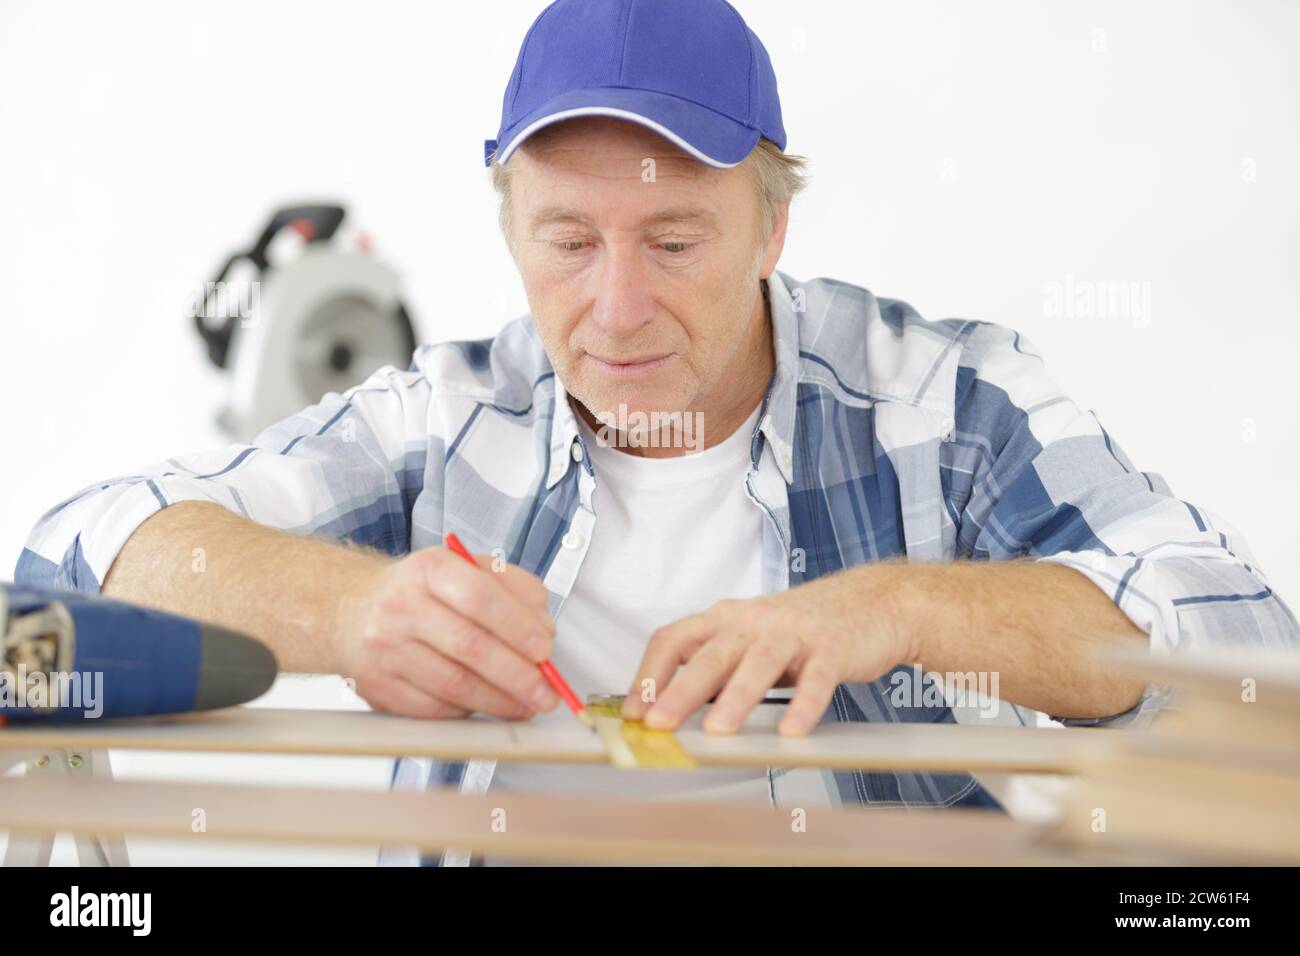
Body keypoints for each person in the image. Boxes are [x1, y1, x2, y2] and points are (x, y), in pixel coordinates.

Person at [16, 0, 1299, 866]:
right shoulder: (447, 416)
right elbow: (77, 551)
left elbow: (1245, 638)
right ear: (509, 228)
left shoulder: (944, 404)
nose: (616, 310)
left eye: (675, 241)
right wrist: (352, 612)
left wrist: (908, 608)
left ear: (771, 225)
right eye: (567, 243)